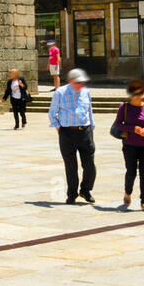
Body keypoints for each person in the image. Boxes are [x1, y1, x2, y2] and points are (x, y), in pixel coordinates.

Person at [48, 68, 96, 204]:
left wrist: (91, 128)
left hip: (85, 132)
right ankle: (72, 194)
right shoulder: (60, 93)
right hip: (67, 133)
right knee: (71, 165)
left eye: (83, 82)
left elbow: (89, 111)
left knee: (90, 165)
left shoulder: (86, 92)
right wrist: (58, 128)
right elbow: (52, 113)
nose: (81, 85)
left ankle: (85, 190)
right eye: (78, 82)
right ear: (70, 81)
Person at [113, 79, 144, 212]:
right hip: (130, 145)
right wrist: (133, 129)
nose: (137, 96)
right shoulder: (124, 107)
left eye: (140, 93)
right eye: (135, 93)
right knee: (131, 172)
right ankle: (128, 193)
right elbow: (118, 124)